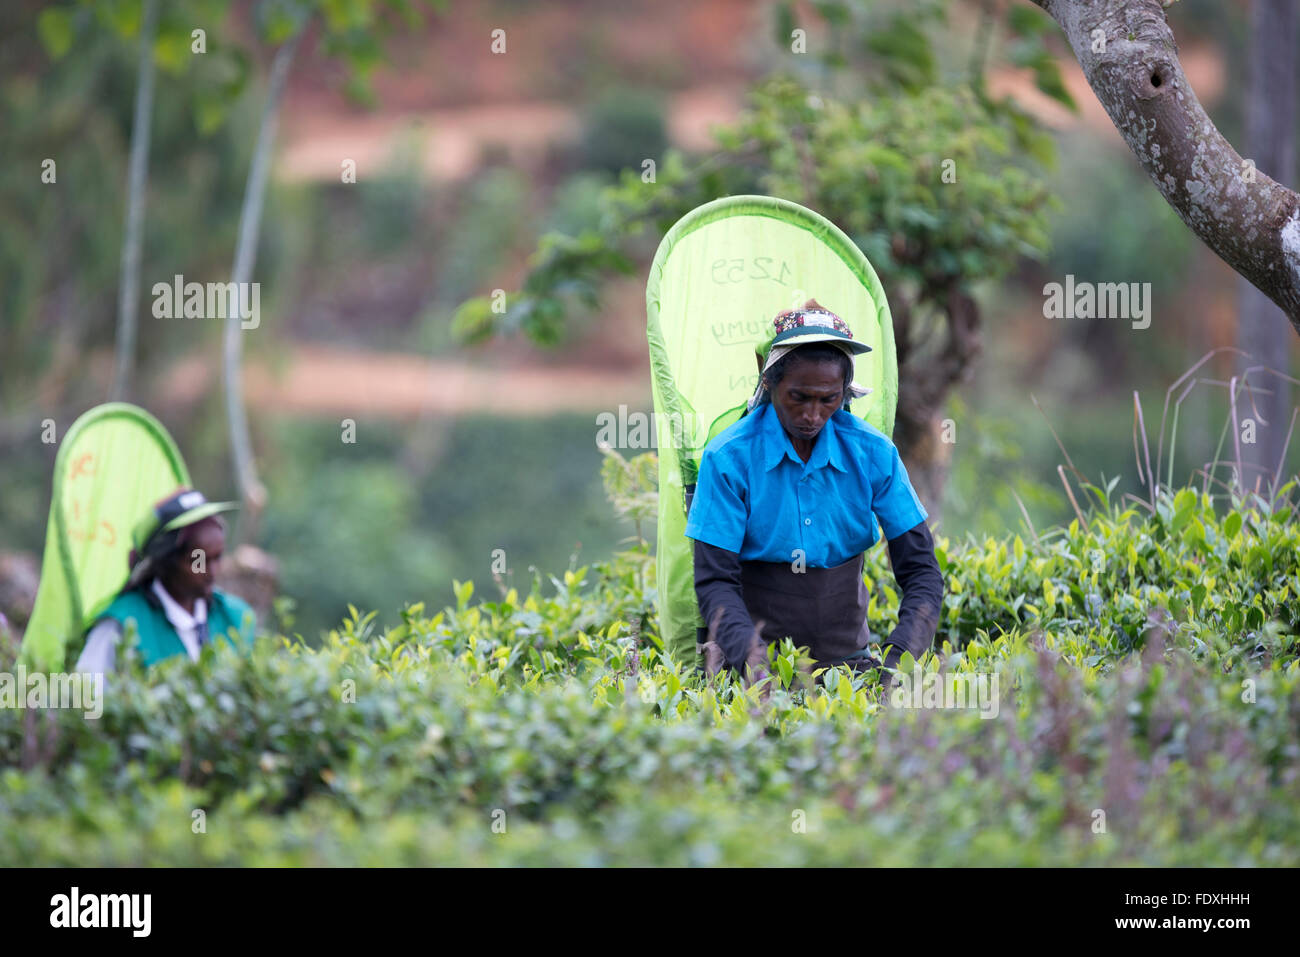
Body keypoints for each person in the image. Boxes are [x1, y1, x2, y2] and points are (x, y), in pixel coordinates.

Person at [686, 300, 944, 686]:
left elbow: (922, 572)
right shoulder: (729, 458)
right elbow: (715, 581)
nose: (812, 415)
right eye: (799, 397)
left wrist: (897, 659)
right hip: (748, 668)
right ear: (769, 382)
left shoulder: (873, 453)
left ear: (845, 392)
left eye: (828, 399)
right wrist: (754, 663)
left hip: (850, 667)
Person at [75, 488, 257, 673]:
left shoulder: (236, 617)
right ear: (166, 561)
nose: (212, 571)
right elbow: (86, 696)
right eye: (198, 560)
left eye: (217, 557)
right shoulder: (121, 626)